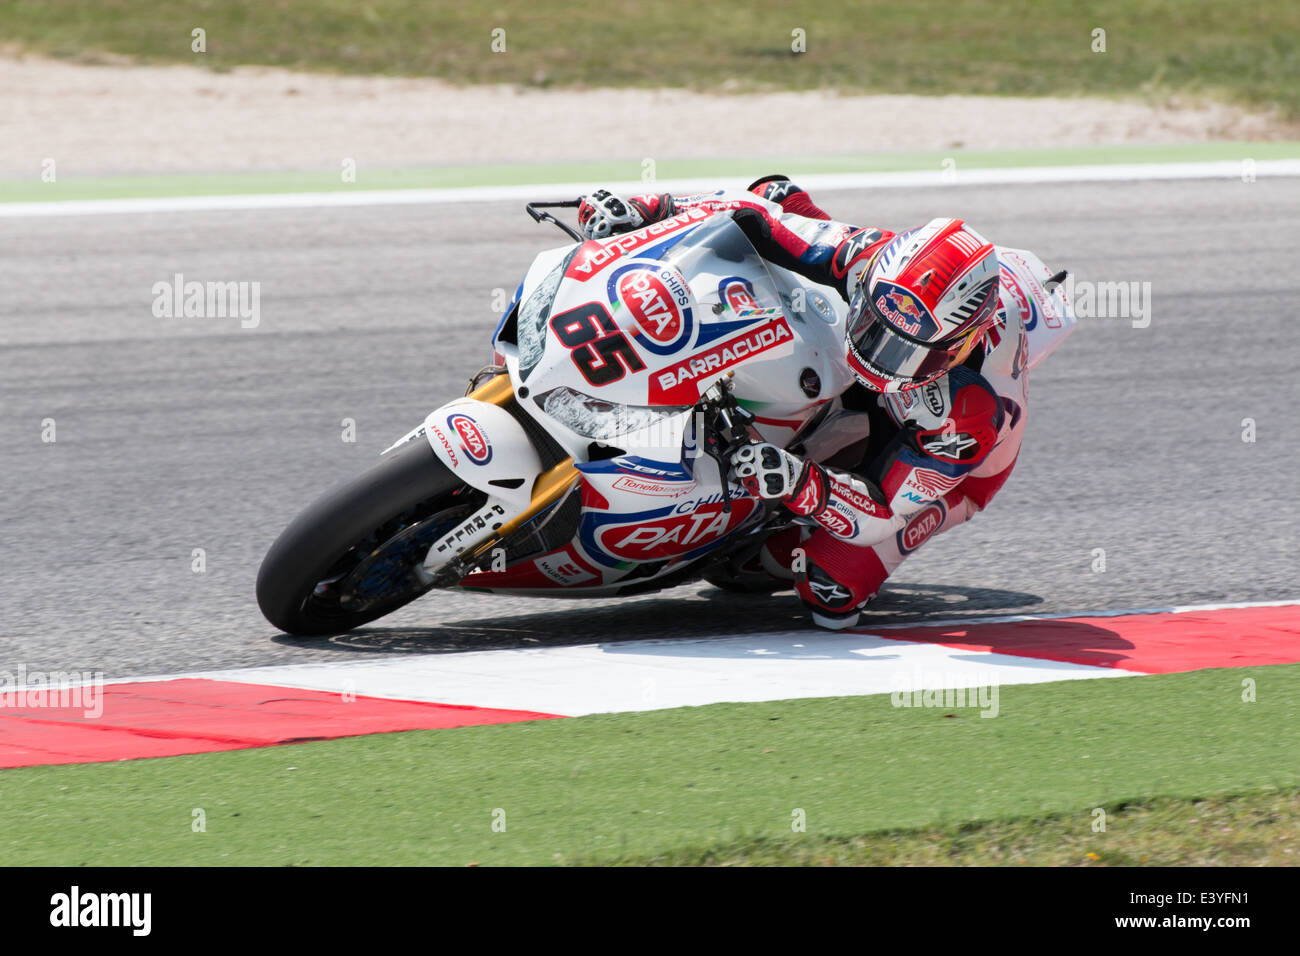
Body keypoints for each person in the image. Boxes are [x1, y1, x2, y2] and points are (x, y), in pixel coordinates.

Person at [576, 178, 1029, 629]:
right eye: (871, 321)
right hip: (878, 359)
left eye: (902, 349)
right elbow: (752, 212)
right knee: (776, 194)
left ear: (958, 346)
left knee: (830, 592)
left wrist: (798, 483)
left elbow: (884, 512)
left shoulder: (966, 415)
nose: (874, 354)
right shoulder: (869, 260)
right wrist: (649, 207)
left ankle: (763, 539)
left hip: (947, 469)